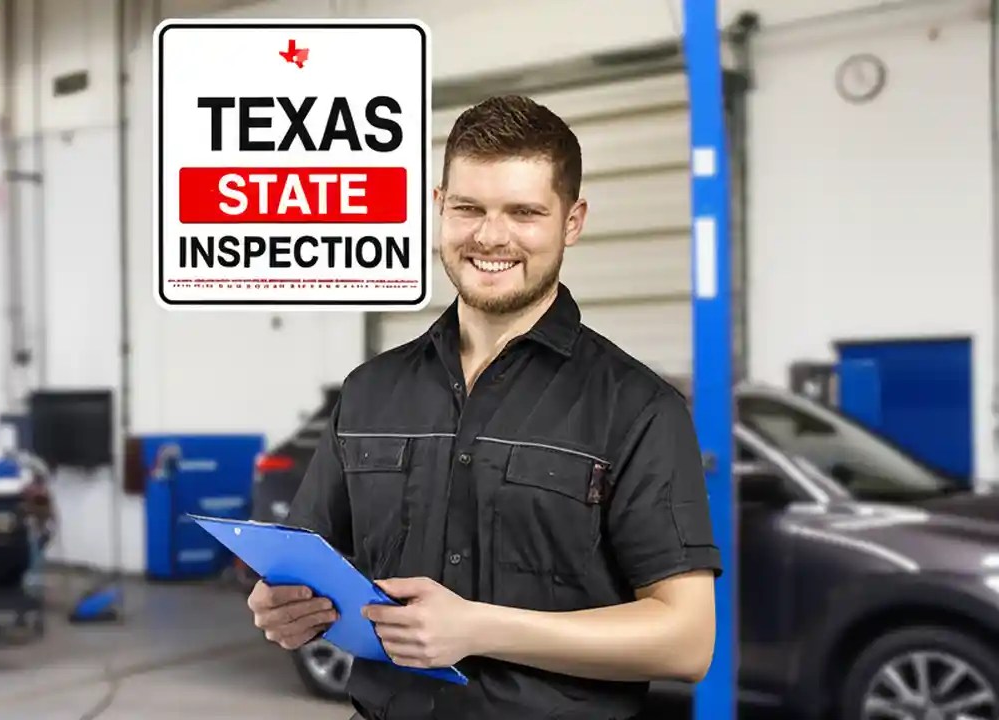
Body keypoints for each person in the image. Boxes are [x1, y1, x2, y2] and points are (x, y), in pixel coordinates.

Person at [246, 94, 722, 720]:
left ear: (571, 222)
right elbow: (308, 565)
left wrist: (478, 629)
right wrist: (281, 609)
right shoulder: (369, 392)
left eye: (524, 212)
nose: (491, 237)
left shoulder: (637, 407)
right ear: (440, 206)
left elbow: (686, 640)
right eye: (469, 208)